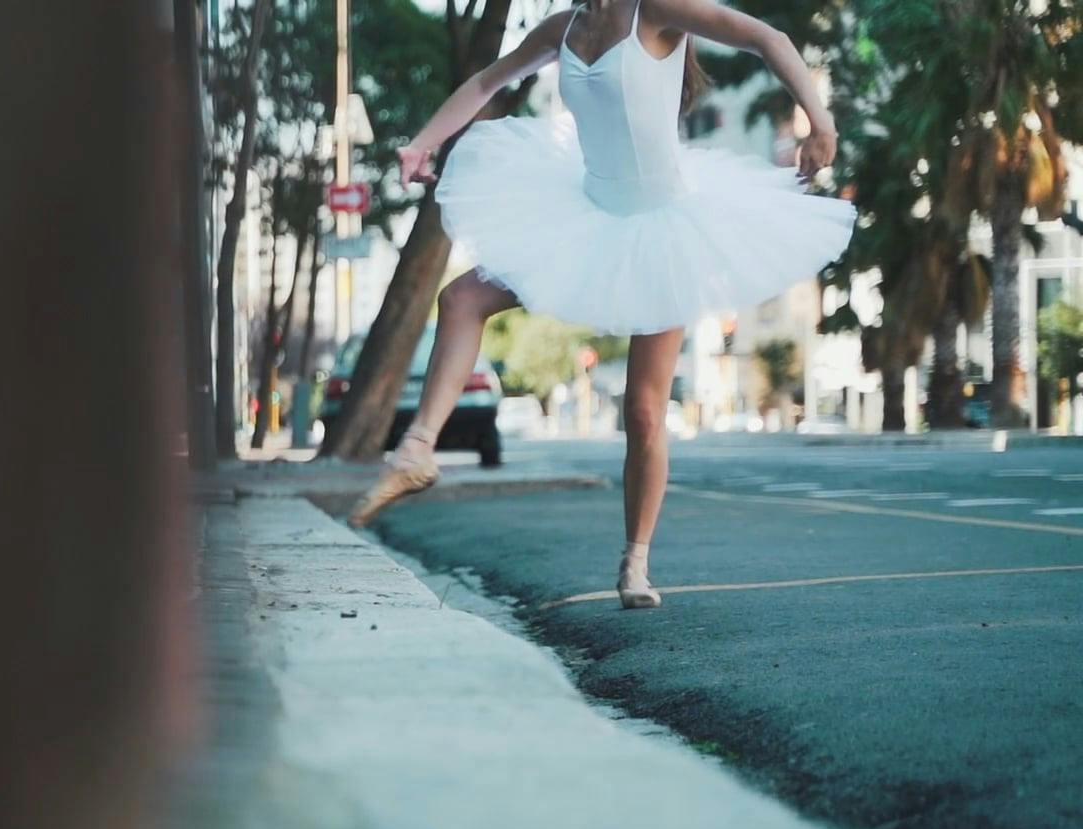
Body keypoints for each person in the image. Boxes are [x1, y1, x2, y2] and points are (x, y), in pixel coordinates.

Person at [346, 0, 854, 609]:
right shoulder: (565, 28)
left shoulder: (658, 11)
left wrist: (818, 119)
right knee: (461, 298)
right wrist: (422, 143)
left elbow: (768, 38)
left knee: (643, 413)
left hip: (664, 230)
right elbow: (488, 80)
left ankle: (636, 561)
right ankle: (418, 450)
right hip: (585, 216)